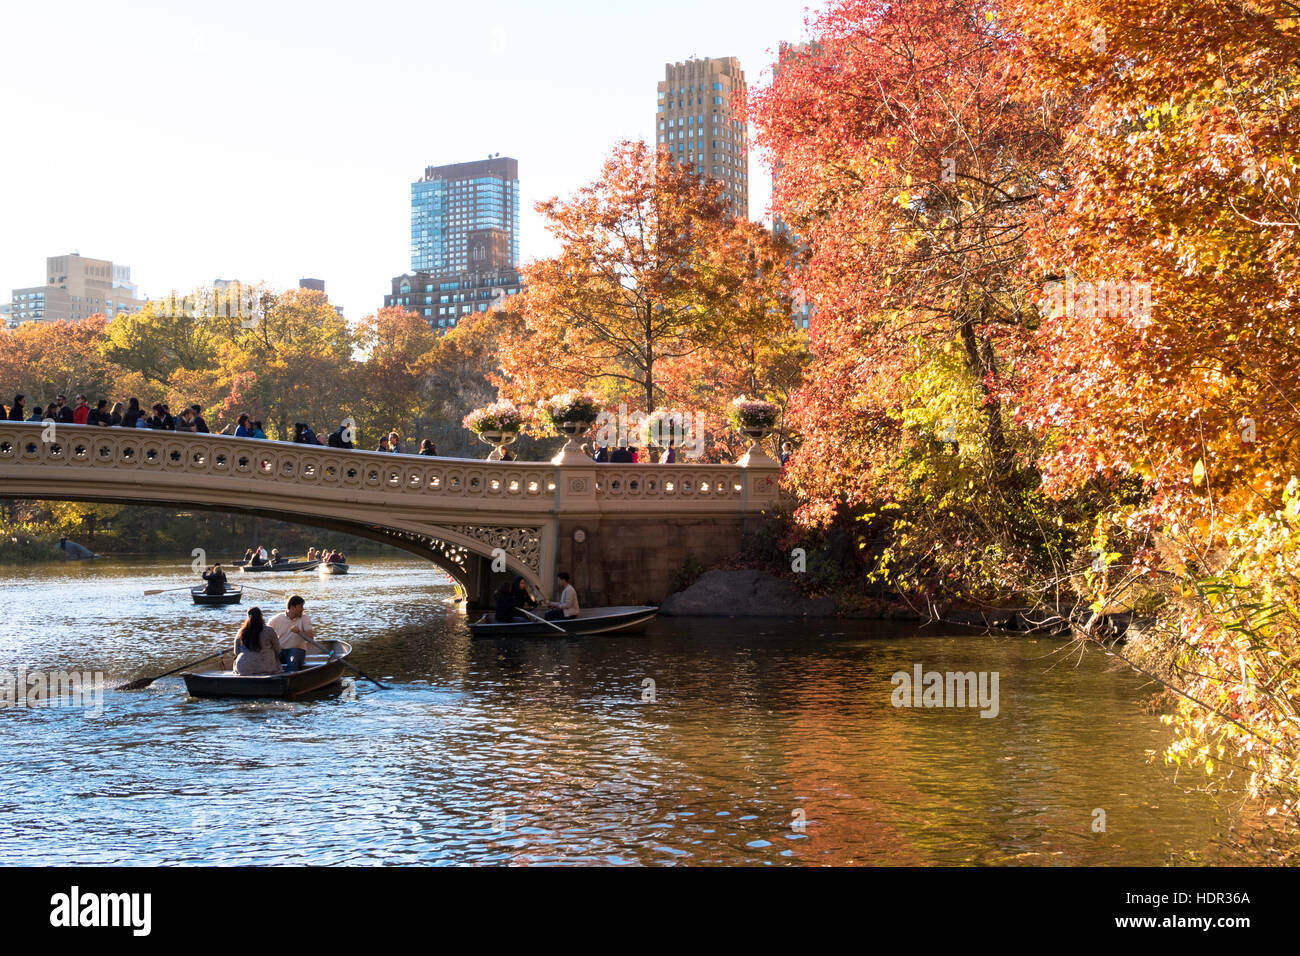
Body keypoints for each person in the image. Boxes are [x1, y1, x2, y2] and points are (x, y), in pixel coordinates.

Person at [268, 596, 315, 673]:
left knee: (292, 659)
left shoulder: (304, 618)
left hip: (296, 651)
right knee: (269, 660)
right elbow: (266, 635)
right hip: (280, 651)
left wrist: (299, 632)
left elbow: (311, 638)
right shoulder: (275, 619)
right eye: (301, 606)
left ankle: (289, 678)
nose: (303, 609)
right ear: (292, 607)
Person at [232, 607, 283, 676]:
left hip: (243, 668)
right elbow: (277, 649)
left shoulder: (241, 631)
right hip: (266, 667)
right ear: (261, 617)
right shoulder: (269, 630)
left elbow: (236, 652)